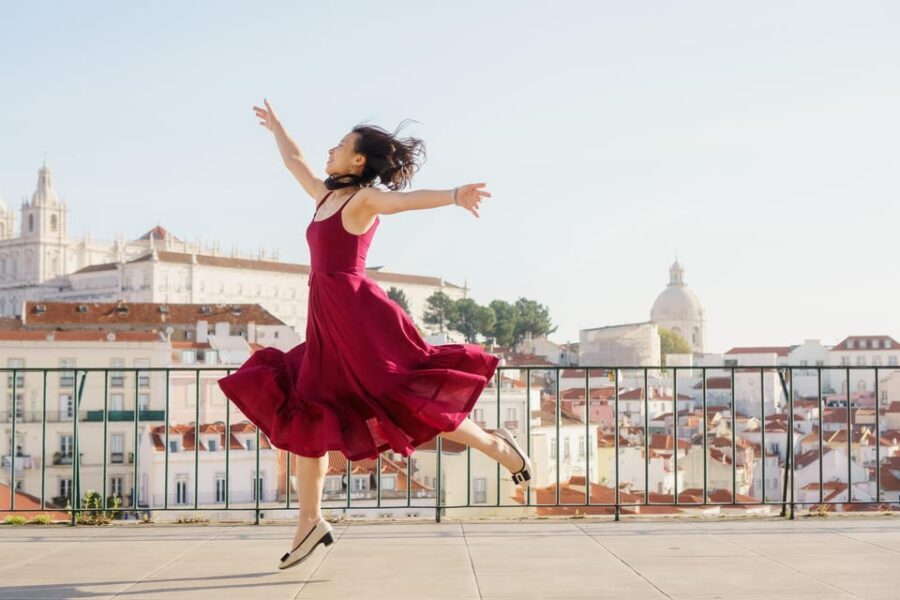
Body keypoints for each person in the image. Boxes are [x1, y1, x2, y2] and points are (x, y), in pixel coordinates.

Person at [217, 99, 532, 570]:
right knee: (312, 409)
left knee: (400, 398)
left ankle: (500, 447)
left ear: (358, 161)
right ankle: (309, 523)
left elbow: (402, 202)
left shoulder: (362, 201)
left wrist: (453, 194)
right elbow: (294, 161)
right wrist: (278, 127)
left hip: (360, 320)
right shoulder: (325, 197)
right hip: (327, 322)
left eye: (341, 146)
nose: (332, 150)